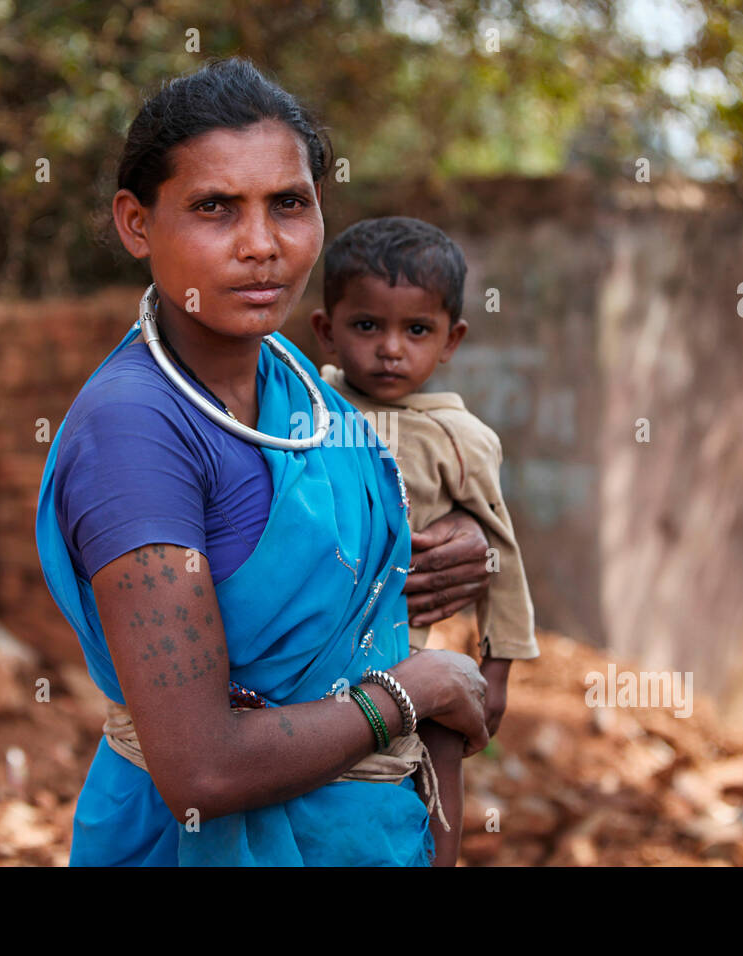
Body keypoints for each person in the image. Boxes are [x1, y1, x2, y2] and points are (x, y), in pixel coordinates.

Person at [34, 57, 494, 866]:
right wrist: (411, 692)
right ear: (137, 224)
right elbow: (202, 769)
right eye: (216, 208)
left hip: (367, 835)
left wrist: (459, 540)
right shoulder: (137, 436)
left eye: (289, 204)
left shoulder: (298, 388)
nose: (262, 246)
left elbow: (360, 544)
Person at [309, 216, 541, 865]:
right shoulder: (306, 411)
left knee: (441, 745)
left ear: (450, 341)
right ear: (326, 331)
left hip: (406, 650)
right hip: (311, 650)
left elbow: (504, 559)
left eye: (416, 331)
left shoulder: (458, 438)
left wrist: (497, 672)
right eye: (366, 326)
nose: (390, 349)